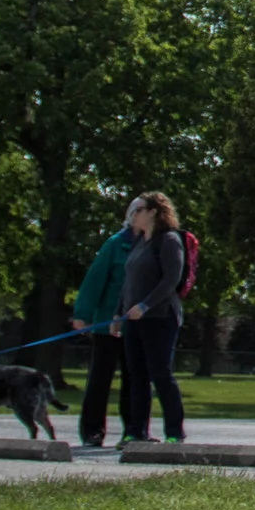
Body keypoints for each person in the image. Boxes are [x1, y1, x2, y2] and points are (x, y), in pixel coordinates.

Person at [117, 192, 189, 445]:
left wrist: (145, 306)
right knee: (135, 375)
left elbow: (171, 279)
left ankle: (174, 431)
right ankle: (136, 430)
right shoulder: (140, 243)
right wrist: (119, 313)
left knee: (160, 373)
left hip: (160, 317)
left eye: (139, 210)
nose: (134, 215)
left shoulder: (169, 241)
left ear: (154, 212)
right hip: (134, 320)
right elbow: (128, 282)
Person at [68, 200, 137, 448]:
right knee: (99, 379)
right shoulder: (115, 244)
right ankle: (92, 431)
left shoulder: (154, 244)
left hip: (136, 326)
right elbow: (95, 279)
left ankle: (133, 429)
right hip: (107, 323)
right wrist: (82, 313)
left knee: (135, 380)